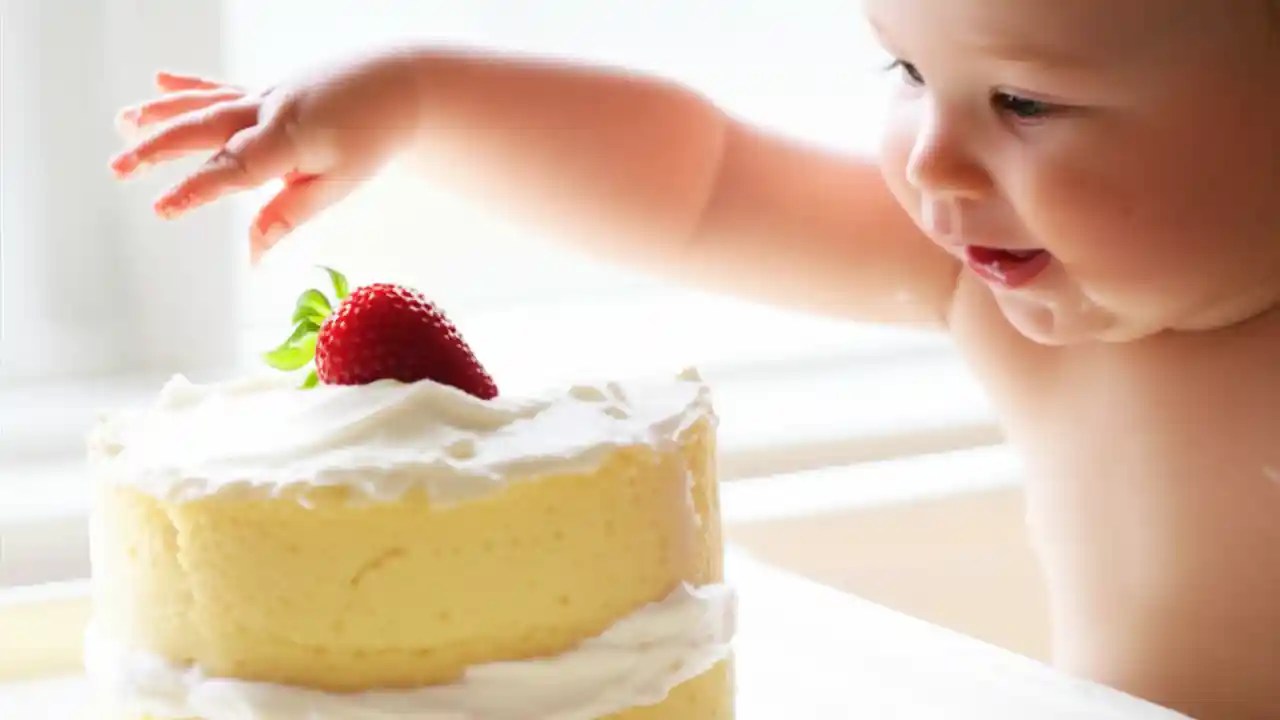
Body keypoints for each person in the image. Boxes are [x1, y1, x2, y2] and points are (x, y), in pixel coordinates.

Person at [108, 1, 1280, 717]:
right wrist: (426, 98)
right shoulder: (982, 282)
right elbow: (703, 183)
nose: (932, 162)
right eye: (907, 74)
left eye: (1023, 101)